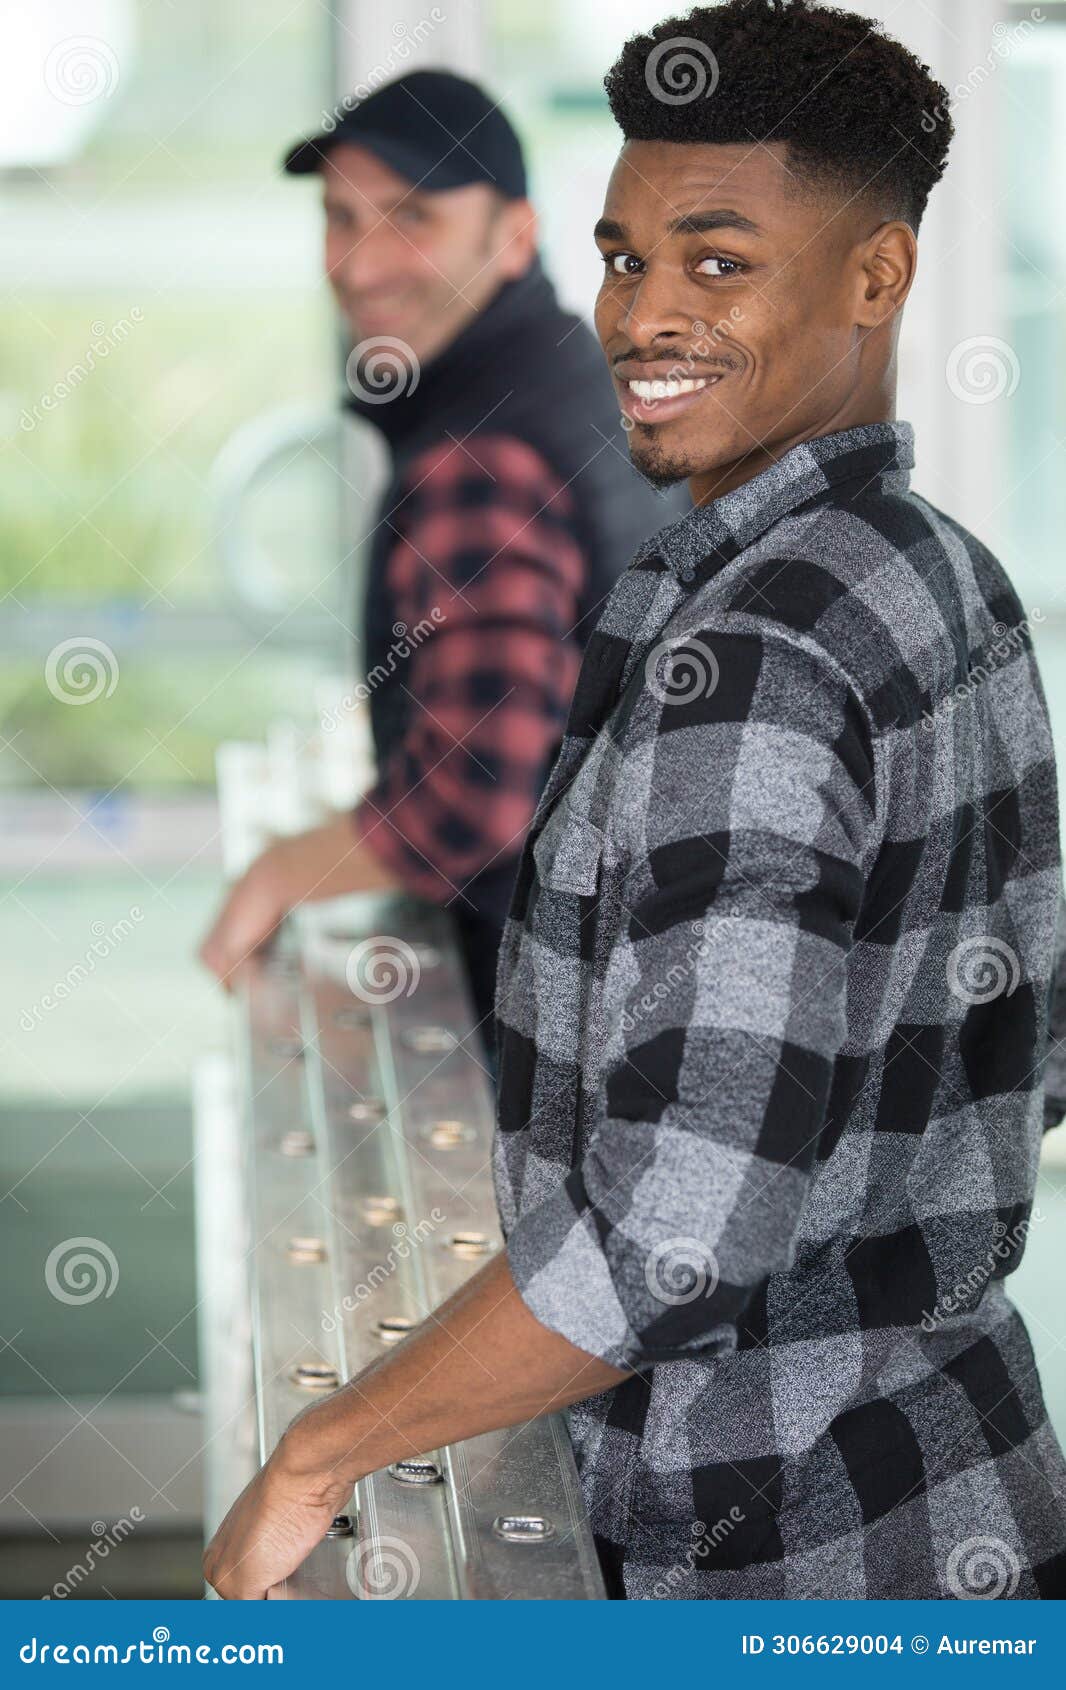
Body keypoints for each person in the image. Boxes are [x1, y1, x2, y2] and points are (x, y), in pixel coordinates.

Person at [204, 2, 1066, 1600]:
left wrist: (320, 1449)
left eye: (717, 262)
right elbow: (1024, 1054)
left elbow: (669, 1241)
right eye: (625, 258)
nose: (645, 313)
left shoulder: (749, 659)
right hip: (971, 1490)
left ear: (875, 277)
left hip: (772, 1555)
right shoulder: (947, 577)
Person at [198, 70, 679, 1070]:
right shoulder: (578, 376)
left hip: (558, 1020)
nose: (359, 262)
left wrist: (281, 871)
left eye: (412, 217)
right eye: (339, 218)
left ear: (513, 236)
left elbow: (472, 794)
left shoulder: (479, 455)